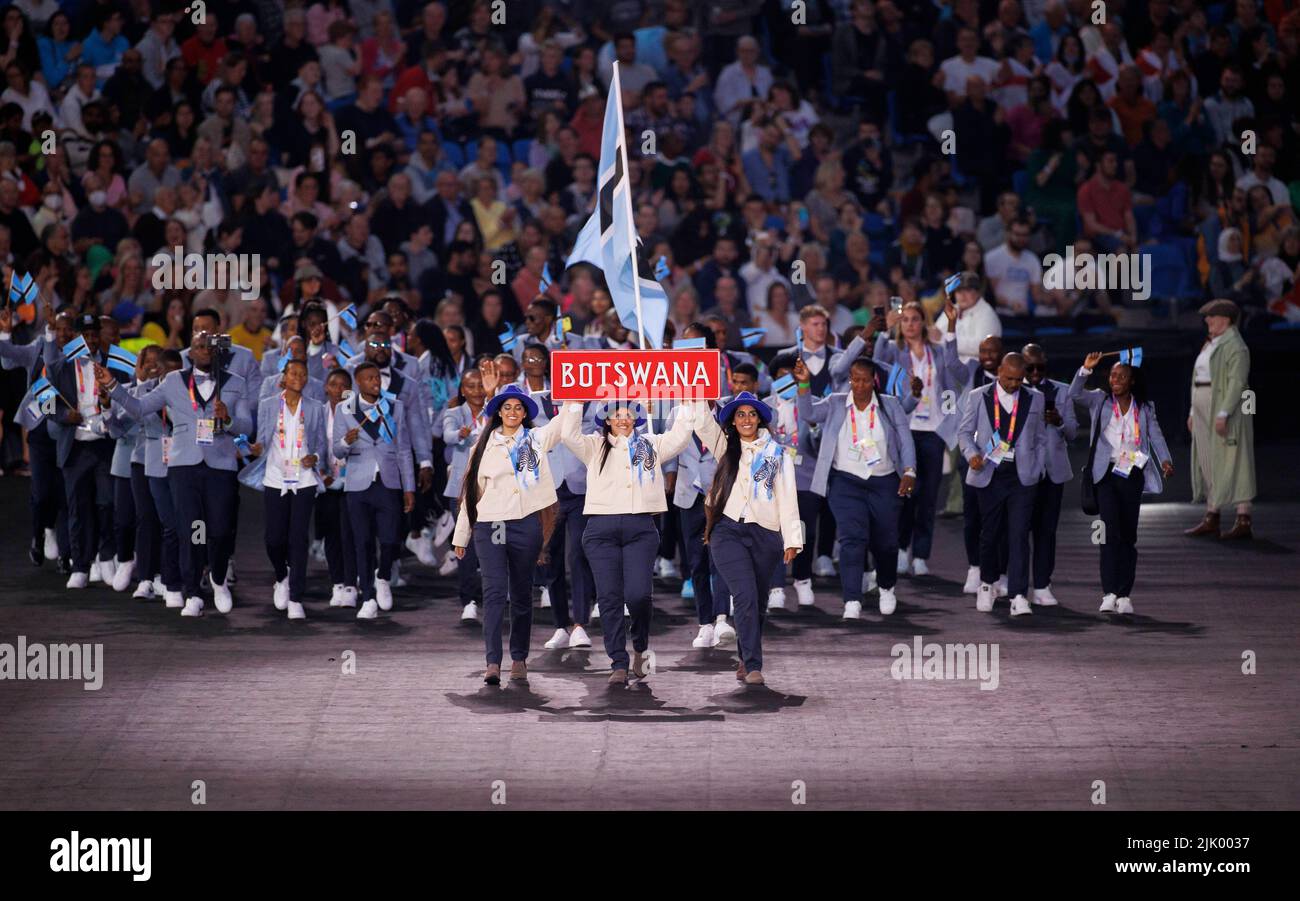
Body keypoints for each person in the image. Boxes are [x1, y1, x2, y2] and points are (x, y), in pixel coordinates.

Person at [96, 330, 253, 616]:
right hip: (184, 465)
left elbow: (246, 426)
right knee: (192, 529)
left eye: (209, 346)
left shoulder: (236, 383)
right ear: (190, 353)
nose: (204, 350)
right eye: (198, 346)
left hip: (220, 464)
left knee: (218, 530)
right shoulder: (173, 381)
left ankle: (218, 579)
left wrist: (228, 419)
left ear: (217, 351)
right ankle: (192, 591)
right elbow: (140, 407)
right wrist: (114, 388)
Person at [560, 395, 698, 685]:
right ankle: (617, 662)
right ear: (606, 420)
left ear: (636, 417)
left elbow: (681, 437)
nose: (623, 418)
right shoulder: (594, 446)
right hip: (600, 530)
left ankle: (640, 644)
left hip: (640, 528)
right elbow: (568, 434)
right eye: (616, 414)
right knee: (609, 598)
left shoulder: (651, 444)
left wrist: (686, 402)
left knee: (638, 596)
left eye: (628, 413)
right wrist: (573, 399)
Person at [453, 376, 568, 685]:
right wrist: (461, 535)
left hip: (526, 523)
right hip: (492, 524)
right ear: (499, 412)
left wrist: (575, 395)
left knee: (520, 593)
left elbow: (564, 424)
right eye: (507, 407)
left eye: (519, 407)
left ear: (525, 412)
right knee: (492, 593)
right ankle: (492, 662)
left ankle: (519, 657)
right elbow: (471, 493)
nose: (513, 412)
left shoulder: (535, 439)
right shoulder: (482, 446)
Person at [692, 393, 802, 685]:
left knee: (758, 599)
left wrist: (792, 539)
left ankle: (745, 654)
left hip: (765, 533)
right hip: (726, 531)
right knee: (744, 596)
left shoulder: (778, 454)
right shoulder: (724, 446)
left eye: (751, 414)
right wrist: (694, 393)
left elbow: (788, 498)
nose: (746, 419)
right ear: (732, 420)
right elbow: (702, 423)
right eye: (740, 414)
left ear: (760, 419)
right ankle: (753, 664)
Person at [795, 354, 916, 618]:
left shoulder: (890, 405)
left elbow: (905, 440)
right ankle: (852, 599)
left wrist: (909, 471)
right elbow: (808, 413)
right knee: (851, 538)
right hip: (845, 481)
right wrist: (804, 385)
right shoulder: (837, 402)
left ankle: (886, 587)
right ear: (849, 379)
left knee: (886, 542)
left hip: (884, 480)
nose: (859, 385)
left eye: (865, 380)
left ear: (874, 381)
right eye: (855, 379)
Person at [1067, 352, 1174, 614]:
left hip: (1132, 473)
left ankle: (1124, 595)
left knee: (1128, 535)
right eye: (1112, 375)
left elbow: (1156, 436)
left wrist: (1165, 460)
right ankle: (1109, 592)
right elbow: (1074, 394)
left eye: (1121, 377)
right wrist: (1085, 369)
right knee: (1108, 533)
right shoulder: (1099, 400)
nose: (1115, 380)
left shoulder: (1145, 407)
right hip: (1105, 473)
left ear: (1132, 381)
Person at [875, 298, 967, 578]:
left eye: (915, 319)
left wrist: (951, 324)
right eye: (905, 320)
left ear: (924, 323)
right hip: (904, 427)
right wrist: (884, 330)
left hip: (934, 430)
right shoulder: (894, 350)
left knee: (928, 496)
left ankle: (922, 555)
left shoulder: (937, 352)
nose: (911, 324)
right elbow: (875, 362)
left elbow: (954, 363)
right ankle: (902, 549)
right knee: (906, 493)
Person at [957, 352, 1049, 617]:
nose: (1013, 384)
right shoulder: (978, 396)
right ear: (999, 371)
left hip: (1022, 477)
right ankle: (987, 583)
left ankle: (1019, 595)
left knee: (1019, 534)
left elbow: (1041, 438)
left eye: (1018, 380)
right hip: (990, 473)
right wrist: (972, 454)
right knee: (990, 532)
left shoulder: (1035, 398)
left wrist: (1037, 466)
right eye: (1008, 378)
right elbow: (964, 432)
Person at [246, 359, 329, 621]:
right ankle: (281, 576)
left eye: (303, 374)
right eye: (293, 373)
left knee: (298, 539)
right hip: (275, 478)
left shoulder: (315, 408)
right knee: (274, 539)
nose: (299, 377)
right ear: (283, 376)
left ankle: (295, 597)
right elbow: (260, 439)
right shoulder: (269, 404)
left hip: (304, 480)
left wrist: (314, 457)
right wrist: (256, 448)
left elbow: (321, 447)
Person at [332, 361, 416, 620]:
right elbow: (336, 451)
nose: (375, 382)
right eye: (369, 378)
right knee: (363, 542)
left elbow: (403, 449)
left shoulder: (394, 407)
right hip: (358, 483)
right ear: (358, 382)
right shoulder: (345, 409)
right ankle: (367, 596)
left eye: (377, 378)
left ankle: (383, 575)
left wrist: (409, 487)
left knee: (390, 540)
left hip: (388, 482)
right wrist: (346, 441)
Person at [48, 313, 117, 589]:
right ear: (76, 337)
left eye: (93, 335)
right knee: (78, 508)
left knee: (107, 503)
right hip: (75, 446)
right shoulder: (56, 366)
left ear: (99, 335)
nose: (90, 340)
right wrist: (66, 415)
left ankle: (106, 556)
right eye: (84, 335)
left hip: (105, 444)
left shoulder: (115, 363)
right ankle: (80, 565)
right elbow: (44, 402)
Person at [1185, 299, 1255, 540]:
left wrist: (1224, 412)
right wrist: (1193, 411)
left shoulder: (1235, 345)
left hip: (1223, 402)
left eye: (1211, 316)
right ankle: (1211, 515)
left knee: (1234, 459)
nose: (1207, 320)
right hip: (1203, 399)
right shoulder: (1211, 344)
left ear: (1225, 319)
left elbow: (1237, 382)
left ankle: (1243, 517)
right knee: (1207, 458)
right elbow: (1198, 376)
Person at [1021, 343, 1078, 606]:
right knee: (1018, 531)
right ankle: (1012, 584)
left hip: (1052, 473)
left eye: (1039, 367)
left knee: (1046, 531)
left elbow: (1074, 433)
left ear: (1046, 363)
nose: (1034, 372)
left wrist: (1059, 421)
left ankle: (1042, 585)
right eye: (1028, 367)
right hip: (1022, 472)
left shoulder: (1062, 391)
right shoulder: (1013, 390)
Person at [441, 368, 487, 619]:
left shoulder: (496, 410)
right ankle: (469, 600)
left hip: (493, 489)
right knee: (464, 544)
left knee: (494, 543)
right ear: (463, 390)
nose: (477, 391)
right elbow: (447, 435)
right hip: (461, 489)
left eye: (480, 385)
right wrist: (460, 434)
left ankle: (497, 593)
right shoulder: (454, 414)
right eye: (471, 386)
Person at [319, 367, 359, 609]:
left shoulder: (356, 414)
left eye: (344, 386)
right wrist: (320, 471)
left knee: (351, 535)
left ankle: (351, 583)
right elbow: (313, 443)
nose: (338, 390)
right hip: (326, 484)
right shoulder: (317, 413)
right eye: (334, 385)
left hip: (352, 483)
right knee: (331, 535)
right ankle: (336, 583)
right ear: (326, 387)